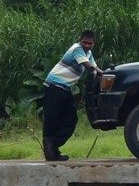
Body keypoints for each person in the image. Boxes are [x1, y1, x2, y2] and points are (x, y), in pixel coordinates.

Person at [42, 30, 102, 161]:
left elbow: (95, 70)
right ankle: (52, 149)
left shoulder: (88, 53)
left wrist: (105, 74)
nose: (86, 45)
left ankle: (52, 146)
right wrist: (102, 73)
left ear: (93, 44)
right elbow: (90, 68)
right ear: (79, 41)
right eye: (84, 42)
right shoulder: (76, 49)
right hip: (54, 85)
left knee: (71, 119)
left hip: (65, 87)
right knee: (52, 119)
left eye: (89, 43)